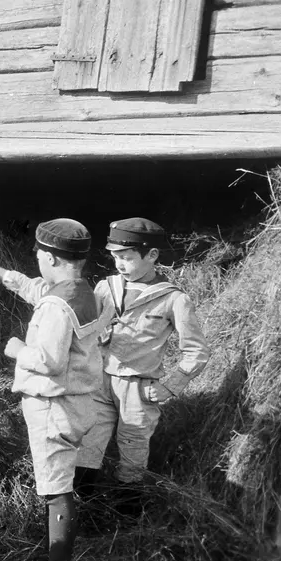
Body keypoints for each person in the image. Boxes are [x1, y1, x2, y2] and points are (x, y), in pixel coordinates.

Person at [0, 220, 103, 561]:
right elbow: (36, 289)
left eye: (38, 254)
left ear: (49, 257)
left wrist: (15, 348)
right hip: (79, 403)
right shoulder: (85, 292)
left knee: (56, 490)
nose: (35, 258)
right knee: (60, 484)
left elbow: (48, 360)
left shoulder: (54, 307)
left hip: (53, 406)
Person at [75, 218, 210, 508]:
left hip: (138, 389)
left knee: (132, 449)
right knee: (88, 443)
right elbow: (86, 332)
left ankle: (126, 519)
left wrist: (170, 386)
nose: (119, 264)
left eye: (126, 258)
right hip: (99, 381)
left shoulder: (174, 299)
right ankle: (81, 511)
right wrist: (99, 335)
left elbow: (197, 351)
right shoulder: (104, 288)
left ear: (151, 256)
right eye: (115, 257)